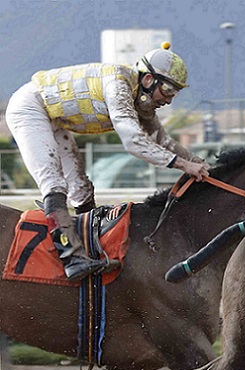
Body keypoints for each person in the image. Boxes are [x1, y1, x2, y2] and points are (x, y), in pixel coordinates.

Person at [7, 42, 210, 281]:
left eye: (174, 93)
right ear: (148, 80)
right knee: (54, 183)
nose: (168, 100)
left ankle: (89, 250)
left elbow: (163, 142)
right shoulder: (118, 85)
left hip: (52, 118)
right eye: (167, 90)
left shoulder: (139, 100)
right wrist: (184, 166)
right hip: (30, 109)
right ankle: (71, 257)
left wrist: (199, 163)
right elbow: (134, 142)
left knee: (81, 189)